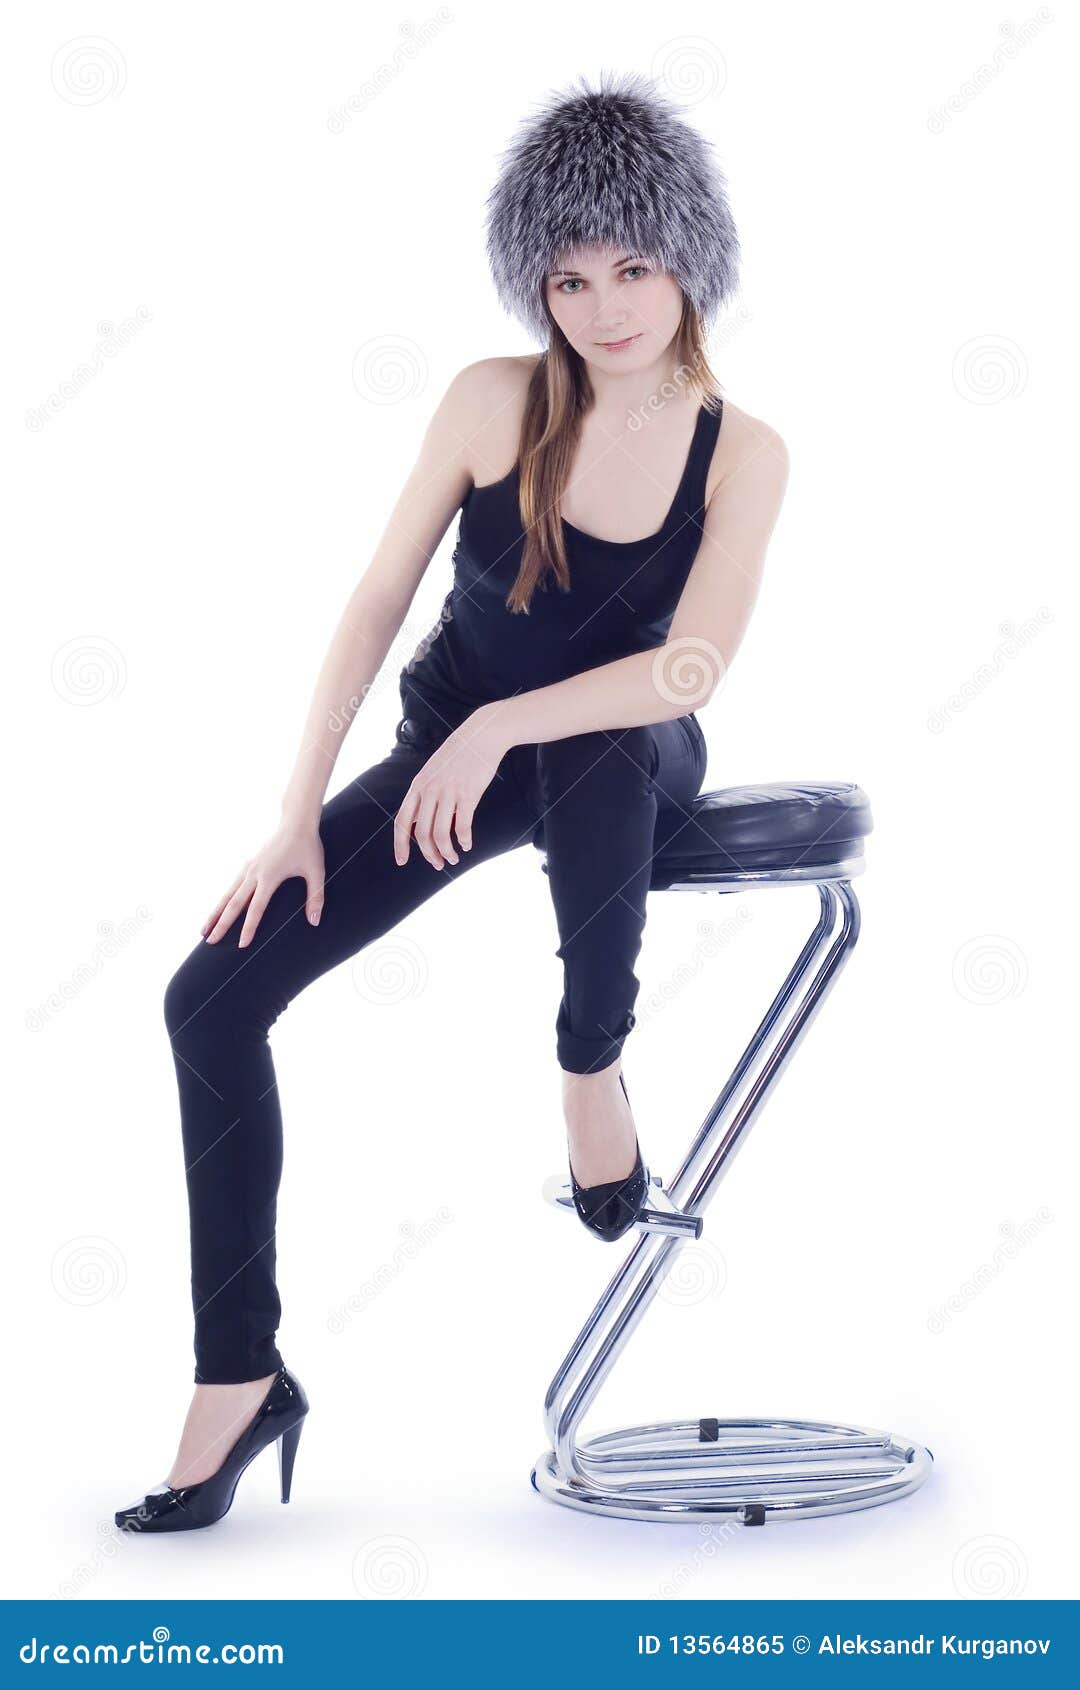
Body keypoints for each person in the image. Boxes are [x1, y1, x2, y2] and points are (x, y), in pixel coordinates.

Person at [115, 70, 789, 1533]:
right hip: (447, 765)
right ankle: (239, 1377)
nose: (604, 306)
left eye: (633, 267)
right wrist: (296, 810)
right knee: (205, 1001)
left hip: (625, 762)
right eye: (569, 275)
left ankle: (589, 1075)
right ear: (534, 282)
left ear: (689, 264)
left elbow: (688, 666)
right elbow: (372, 603)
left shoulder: (743, 450)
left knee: (603, 742)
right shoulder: (493, 402)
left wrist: (507, 719)